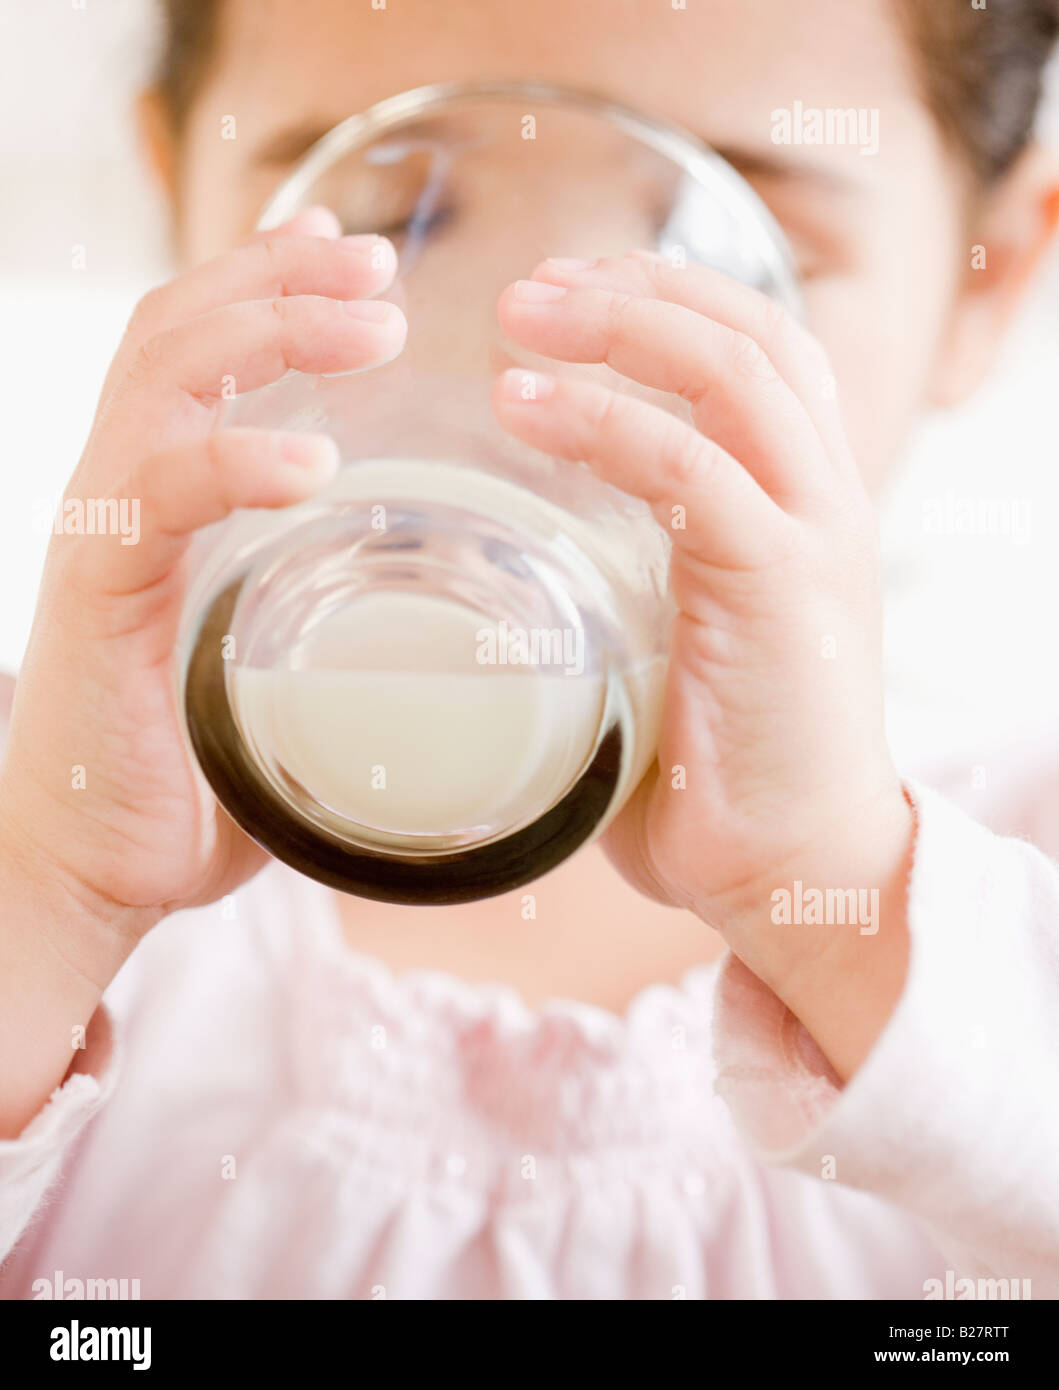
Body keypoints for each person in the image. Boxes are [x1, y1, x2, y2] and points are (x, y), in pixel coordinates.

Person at [1, 0, 1058, 1299]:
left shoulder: (1022, 873)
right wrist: (48, 900)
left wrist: (845, 908)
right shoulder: (39, 824)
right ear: (179, 193)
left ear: (986, 271)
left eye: (715, 253)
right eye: (391, 216)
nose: (523, 343)